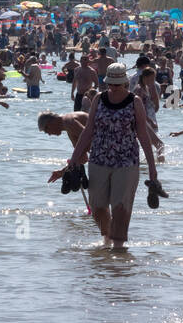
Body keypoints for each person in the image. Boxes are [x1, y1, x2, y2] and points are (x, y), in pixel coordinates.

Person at [50, 62, 162, 251]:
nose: (113, 88)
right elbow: (88, 132)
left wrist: (152, 167)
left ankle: (118, 247)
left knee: (121, 206)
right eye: (111, 84)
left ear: (125, 83)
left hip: (127, 161)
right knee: (98, 205)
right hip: (99, 159)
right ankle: (106, 240)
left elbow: (143, 135)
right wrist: (73, 160)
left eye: (117, 84)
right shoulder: (99, 100)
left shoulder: (135, 102)